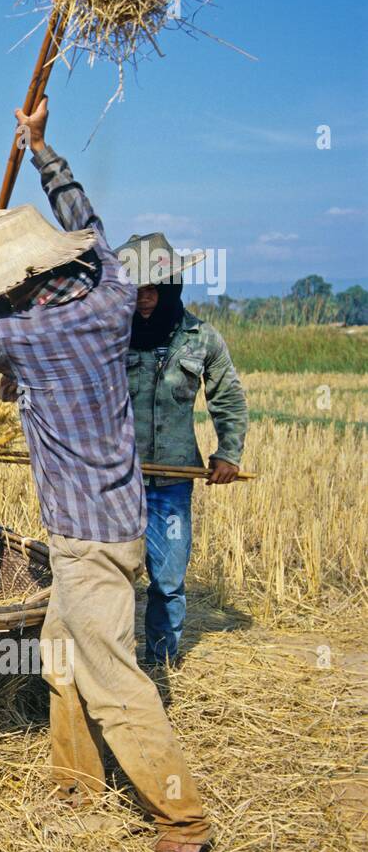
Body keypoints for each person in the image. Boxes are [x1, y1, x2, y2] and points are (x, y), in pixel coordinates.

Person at [0, 95, 210, 852]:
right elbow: (89, 219)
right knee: (60, 650)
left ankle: (182, 816)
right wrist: (42, 149)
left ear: (14, 285)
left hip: (87, 534)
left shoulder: (15, 335)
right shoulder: (106, 298)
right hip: (113, 518)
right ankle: (74, 786)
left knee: (109, 676)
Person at [116, 232, 248, 668]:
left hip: (173, 481)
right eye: (134, 289)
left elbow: (227, 398)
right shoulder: (108, 338)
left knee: (168, 580)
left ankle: (160, 663)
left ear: (172, 286)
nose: (144, 299)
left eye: (153, 288)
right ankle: (111, 664)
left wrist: (228, 452)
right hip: (115, 481)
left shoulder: (202, 339)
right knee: (110, 577)